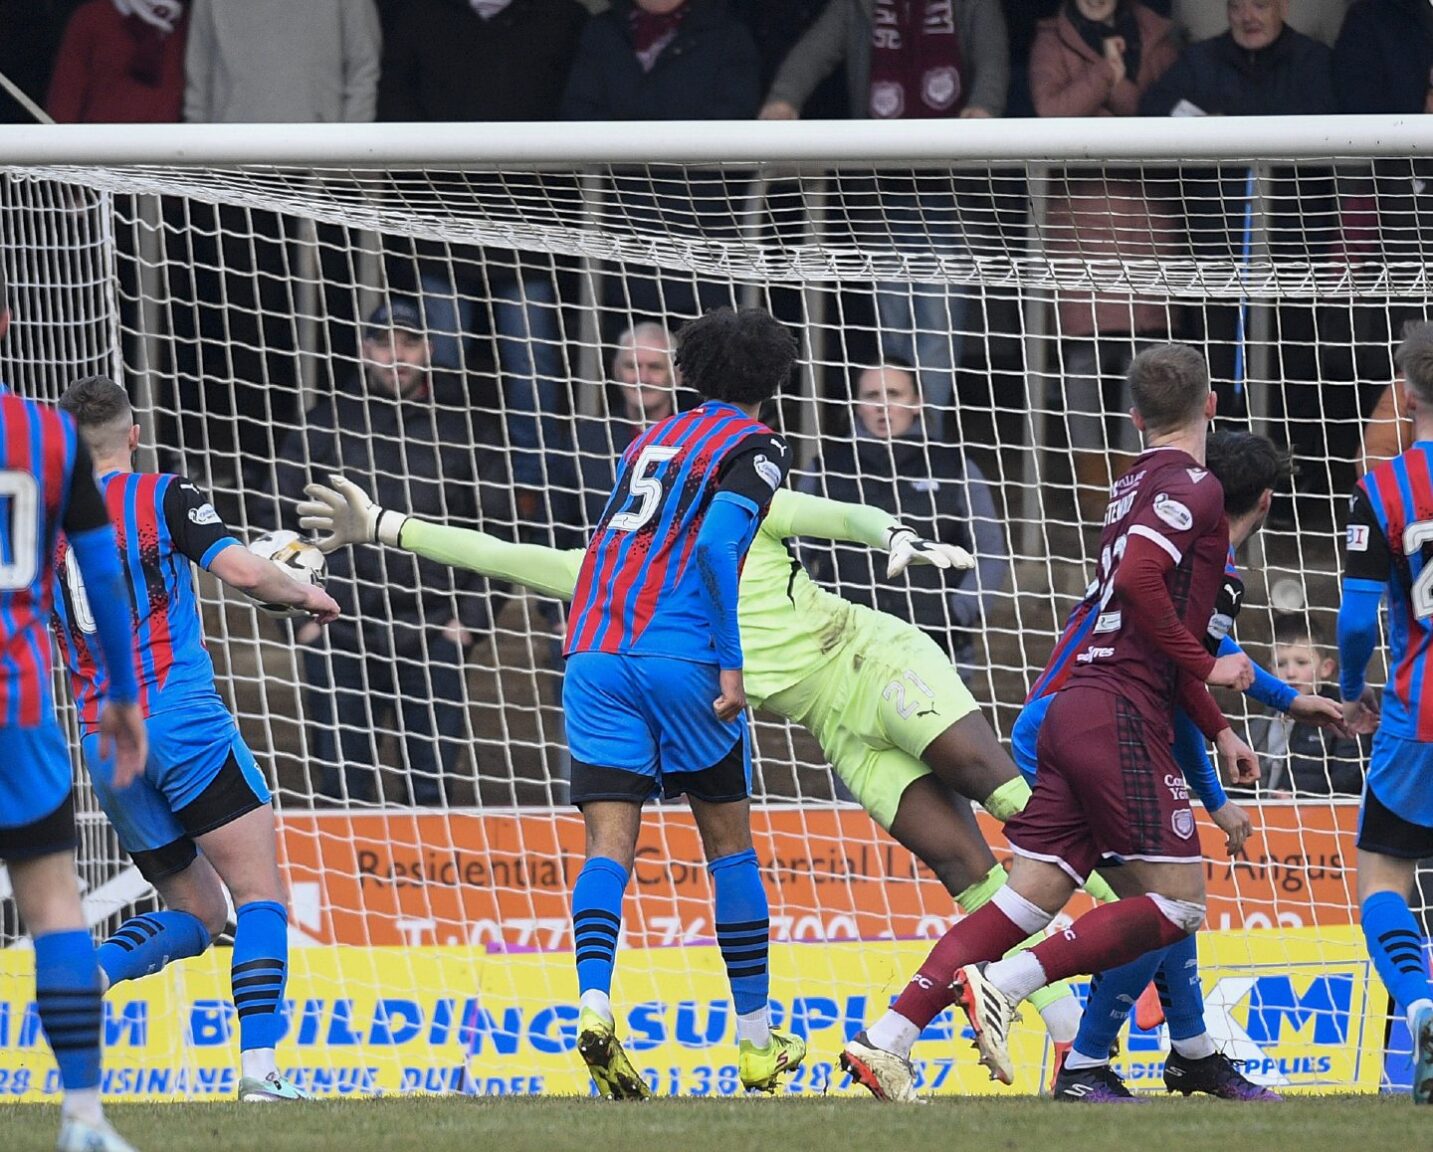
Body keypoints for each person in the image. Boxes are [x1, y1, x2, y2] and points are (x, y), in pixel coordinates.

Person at [838, 343, 1262, 1095]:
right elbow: (1137, 583)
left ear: (1132, 417)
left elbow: (1137, 600)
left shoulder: (1128, 480)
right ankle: (1005, 985)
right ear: (1210, 406)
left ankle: (886, 1036)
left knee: (1021, 898)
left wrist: (1221, 725)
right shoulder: (1194, 485)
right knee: (1175, 900)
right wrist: (1206, 668)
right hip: (1120, 715)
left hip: (1074, 703)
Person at [1015, 430, 1340, 1102]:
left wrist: (1276, 704)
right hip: (1090, 730)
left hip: (1057, 721)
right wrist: (1215, 795)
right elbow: (1173, 692)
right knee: (1165, 902)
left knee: (1170, 898)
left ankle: (1188, 1051)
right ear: (1266, 501)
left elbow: (1183, 682)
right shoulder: (1209, 572)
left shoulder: (1161, 546)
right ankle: (1082, 1061)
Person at [51, 376, 341, 1104]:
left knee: (201, 914)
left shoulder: (37, 526)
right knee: (258, 896)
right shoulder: (162, 496)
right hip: (182, 723)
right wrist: (307, 591)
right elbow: (244, 572)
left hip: (102, 742)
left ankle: (91, 972)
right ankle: (260, 1073)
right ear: (134, 434)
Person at [0, 286, 147, 1151]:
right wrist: (125, 694)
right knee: (54, 900)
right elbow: (101, 576)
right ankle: (84, 1119)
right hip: (16, 703)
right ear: (9, 322)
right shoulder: (51, 437)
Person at [278, 300, 507, 805]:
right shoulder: (324, 425)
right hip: (340, 629)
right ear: (364, 350)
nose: (396, 355)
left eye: (408, 342)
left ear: (429, 349)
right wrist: (300, 622)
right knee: (342, 789)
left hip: (434, 632)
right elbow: (276, 524)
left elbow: (500, 529)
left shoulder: (467, 429)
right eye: (384, 343)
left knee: (431, 792)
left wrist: (468, 622)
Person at [760, 0, 1010, 435]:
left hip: (949, 191)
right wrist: (783, 100)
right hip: (883, 195)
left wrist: (984, 108)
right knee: (892, 333)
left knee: (938, 331)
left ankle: (924, 443)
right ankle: (888, 445)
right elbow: (814, 51)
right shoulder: (859, 6)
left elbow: (993, 57)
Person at [1029, 0, 1181, 520]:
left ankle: (1133, 485)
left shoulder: (1159, 36)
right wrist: (1107, 71)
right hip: (1079, 223)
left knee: (1143, 366)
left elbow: (1164, 119)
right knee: (1083, 363)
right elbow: (1049, 115)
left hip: (1147, 221)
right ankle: (1097, 495)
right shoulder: (1052, 37)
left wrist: (1103, 92)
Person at [1338, 320, 1433, 1104]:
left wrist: (1346, 686)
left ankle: (1421, 1005)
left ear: (1405, 395)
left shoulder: (1383, 485)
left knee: (1381, 877)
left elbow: (1351, 615)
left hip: (1416, 715)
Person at [800, 360, 1009, 674]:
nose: (884, 406)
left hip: (939, 650)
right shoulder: (825, 468)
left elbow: (989, 551)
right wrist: (816, 613)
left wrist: (957, 612)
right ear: (856, 405)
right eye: (872, 395)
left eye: (895, 393)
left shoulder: (955, 466)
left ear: (917, 402)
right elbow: (793, 552)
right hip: (845, 651)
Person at [183, 0, 380, 124]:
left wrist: (348, 155)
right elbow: (199, 72)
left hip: (319, 159)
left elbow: (363, 67)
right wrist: (199, 154)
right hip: (230, 158)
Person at [561, 0, 761, 120]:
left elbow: (735, 114)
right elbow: (579, 110)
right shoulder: (601, 32)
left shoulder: (728, 36)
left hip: (697, 182)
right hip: (612, 182)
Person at [1247, 615, 1365, 797]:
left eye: (1301, 663)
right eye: (1281, 664)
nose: (1291, 673)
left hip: (1319, 818)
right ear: (1269, 671)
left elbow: (1351, 778)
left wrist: (1300, 798)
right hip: (1267, 817)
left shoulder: (1339, 714)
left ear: (1326, 668)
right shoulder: (1259, 725)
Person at [47, 0, 188, 123]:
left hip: (170, 149)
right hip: (98, 148)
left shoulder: (193, 23)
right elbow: (63, 105)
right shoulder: (91, 18)